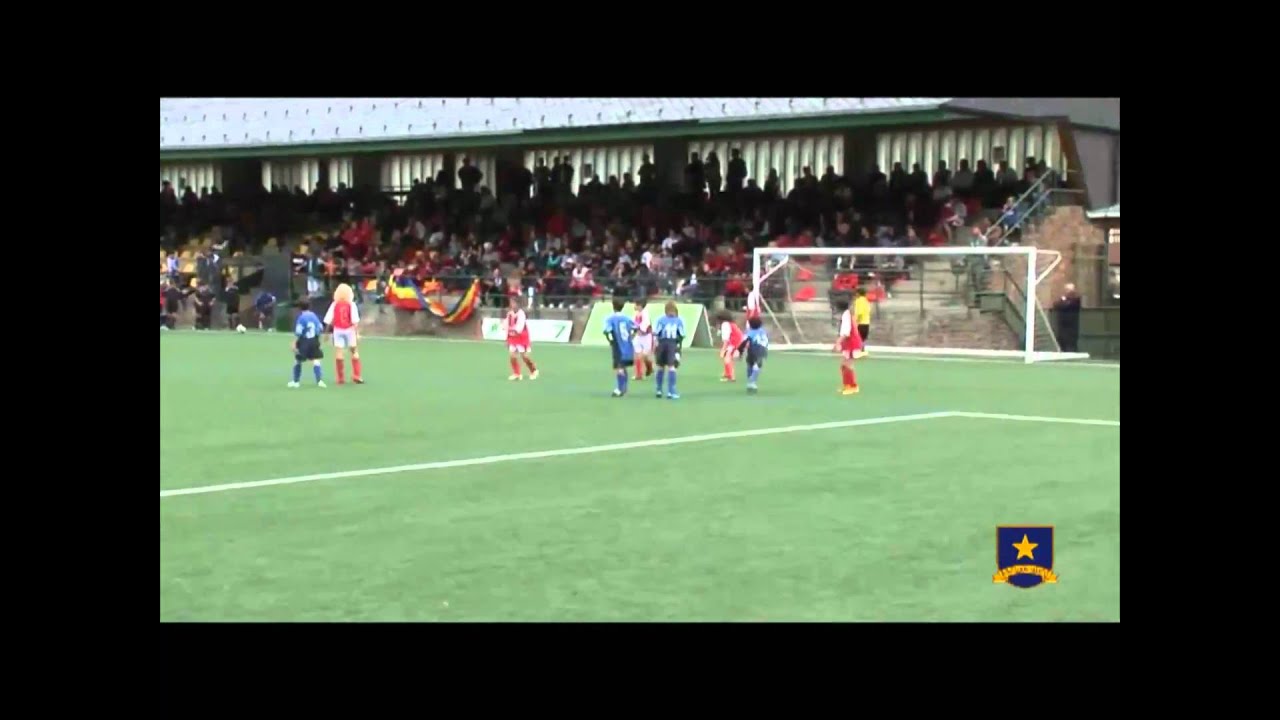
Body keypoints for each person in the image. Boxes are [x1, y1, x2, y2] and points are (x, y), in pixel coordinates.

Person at [324, 283, 364, 385]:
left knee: (339, 352)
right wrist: (357, 333)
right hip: (349, 329)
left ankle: (340, 378)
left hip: (337, 330)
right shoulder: (351, 305)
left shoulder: (334, 305)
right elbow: (355, 321)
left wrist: (326, 334)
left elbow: (328, 321)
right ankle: (356, 375)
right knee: (354, 351)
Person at [602, 297, 636, 397]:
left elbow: (607, 331)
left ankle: (619, 389)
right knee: (623, 366)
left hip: (618, 345)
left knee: (619, 367)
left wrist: (610, 341)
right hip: (627, 345)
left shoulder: (610, 318)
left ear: (613, 306)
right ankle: (624, 388)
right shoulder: (627, 318)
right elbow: (636, 327)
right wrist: (631, 337)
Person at [289, 299, 326, 389]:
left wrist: (294, 343)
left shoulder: (301, 318)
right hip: (314, 340)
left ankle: (296, 382)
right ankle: (319, 381)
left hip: (304, 341)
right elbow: (320, 328)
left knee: (298, 360)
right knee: (316, 360)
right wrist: (318, 339)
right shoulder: (314, 316)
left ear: (299, 308)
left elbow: (299, 332)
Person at [653, 301, 684, 399]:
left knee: (660, 367)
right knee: (671, 367)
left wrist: (655, 344)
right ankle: (671, 391)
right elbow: (682, 334)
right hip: (672, 344)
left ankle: (658, 390)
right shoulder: (678, 320)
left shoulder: (661, 319)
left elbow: (656, 332)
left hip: (661, 344)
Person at [505, 296, 538, 381]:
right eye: (511, 303)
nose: (512, 305)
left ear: (518, 304)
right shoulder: (509, 314)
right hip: (513, 338)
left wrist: (513, 330)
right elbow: (507, 325)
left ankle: (533, 371)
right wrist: (507, 337)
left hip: (522, 337)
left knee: (524, 356)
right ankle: (517, 373)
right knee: (512, 356)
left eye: (513, 303)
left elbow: (519, 327)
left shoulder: (521, 314)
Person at [834, 299, 862, 395]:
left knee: (848, 364)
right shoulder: (848, 315)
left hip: (851, 343)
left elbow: (846, 332)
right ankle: (847, 385)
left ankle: (853, 386)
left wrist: (837, 343)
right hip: (849, 343)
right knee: (844, 365)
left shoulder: (846, 316)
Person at [738, 315, 769, 394]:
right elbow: (765, 340)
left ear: (750, 324)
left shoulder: (749, 332)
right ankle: (753, 381)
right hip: (762, 349)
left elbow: (743, 342)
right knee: (758, 365)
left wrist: (740, 351)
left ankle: (750, 381)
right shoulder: (763, 331)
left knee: (750, 364)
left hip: (753, 349)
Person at [715, 310, 745, 382]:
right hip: (738, 341)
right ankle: (727, 373)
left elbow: (726, 339)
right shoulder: (731, 324)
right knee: (727, 357)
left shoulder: (725, 324)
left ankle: (731, 376)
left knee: (727, 358)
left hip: (734, 343)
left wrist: (723, 349)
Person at [631, 298, 655, 381]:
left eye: (636, 304)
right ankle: (638, 374)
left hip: (647, 337)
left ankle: (650, 367)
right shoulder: (636, 314)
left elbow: (646, 324)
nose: (634, 306)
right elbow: (633, 324)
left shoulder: (645, 314)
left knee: (644, 356)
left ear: (640, 306)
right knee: (638, 355)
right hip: (639, 337)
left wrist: (640, 329)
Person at [853, 287, 872, 359]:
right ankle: (862, 350)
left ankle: (858, 350)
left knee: (858, 337)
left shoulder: (859, 301)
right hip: (866, 322)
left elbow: (859, 312)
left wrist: (855, 320)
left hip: (861, 322)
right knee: (862, 338)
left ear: (858, 293)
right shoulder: (866, 301)